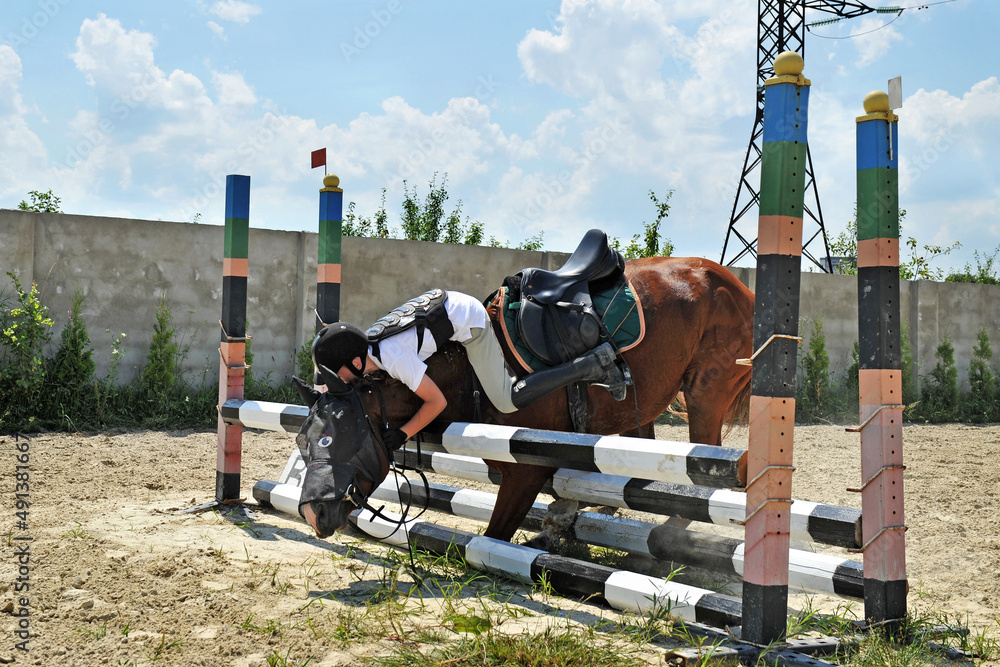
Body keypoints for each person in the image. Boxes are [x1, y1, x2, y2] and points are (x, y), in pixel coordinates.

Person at [311, 290, 625, 450]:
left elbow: (437, 404)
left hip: (470, 322)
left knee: (505, 399)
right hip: (448, 306)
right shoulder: (368, 346)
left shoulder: (393, 359)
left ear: (355, 363)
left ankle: (589, 364)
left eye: (337, 376)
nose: (338, 382)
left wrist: (403, 434)